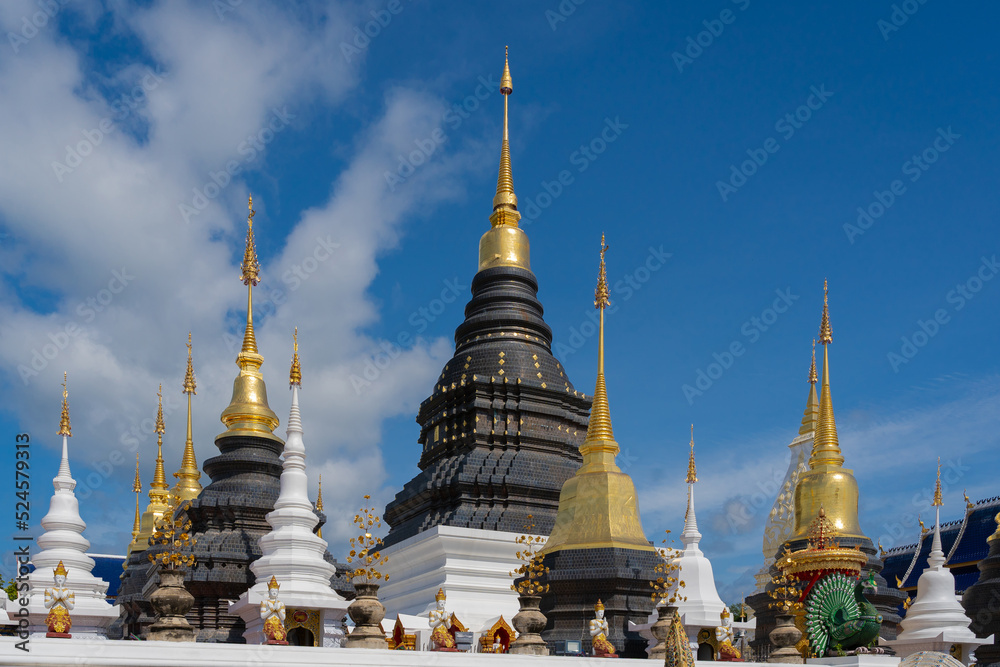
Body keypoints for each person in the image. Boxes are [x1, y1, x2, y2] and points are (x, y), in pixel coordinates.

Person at [45, 561, 74, 638]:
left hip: (64, 615)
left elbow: (71, 607)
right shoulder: (49, 590)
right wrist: (56, 597)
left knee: (65, 628)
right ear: (54, 578)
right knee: (52, 627)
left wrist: (63, 598)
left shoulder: (70, 591)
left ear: (66, 579)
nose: (60, 579)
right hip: (53, 614)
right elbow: (47, 605)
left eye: (62, 578)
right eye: (58, 577)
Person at [260, 576, 288, 644]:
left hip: (278, 623)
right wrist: (272, 609)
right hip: (269, 623)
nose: (274, 592)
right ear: (268, 592)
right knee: (272, 635)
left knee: (283, 635)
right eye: (272, 591)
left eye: (276, 591)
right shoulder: (265, 602)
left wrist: (278, 609)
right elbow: (262, 616)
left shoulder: (281, 603)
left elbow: (283, 617)